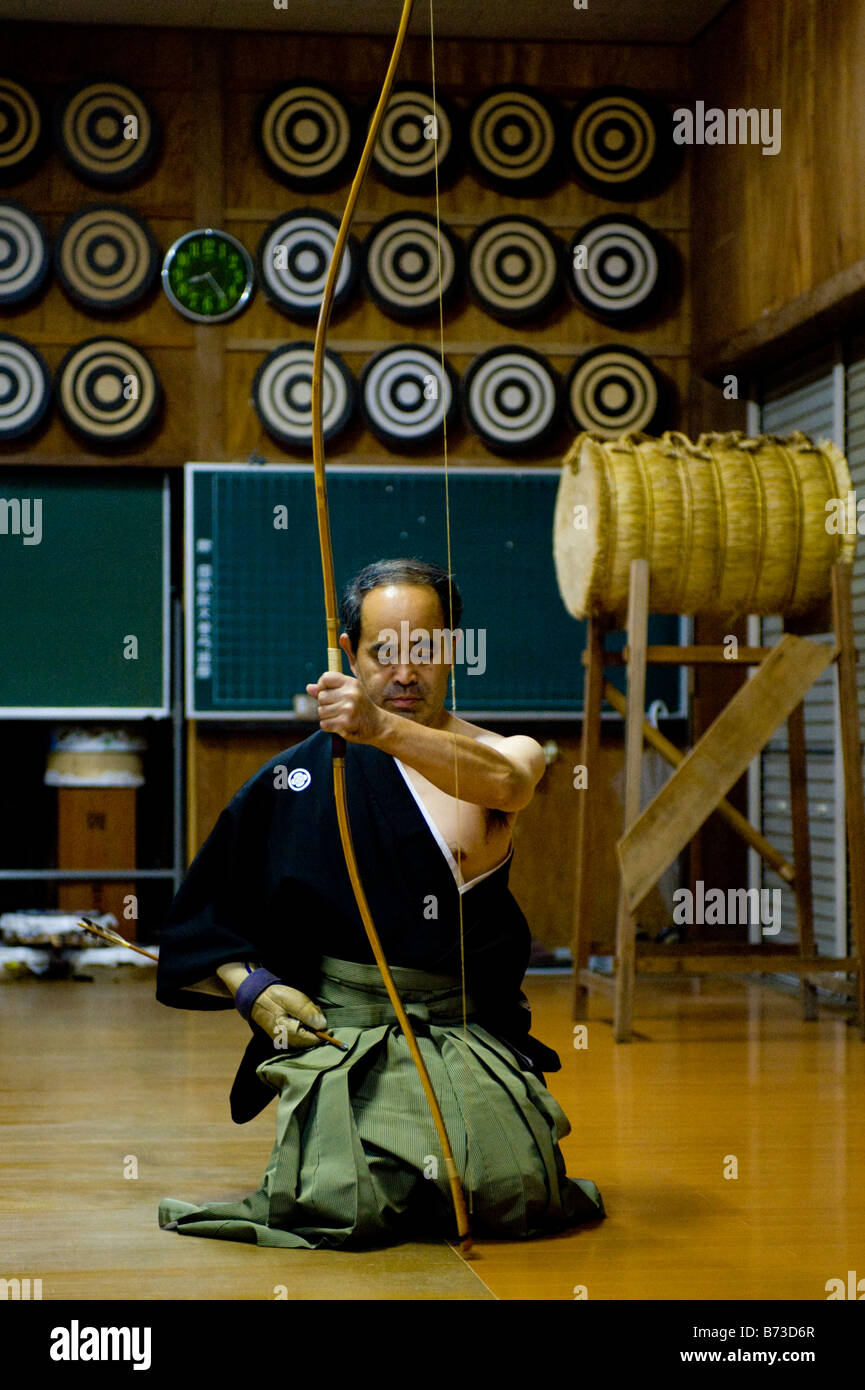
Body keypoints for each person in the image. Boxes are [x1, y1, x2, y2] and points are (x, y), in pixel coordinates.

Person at [156, 558, 605, 1248]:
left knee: (512, 1195)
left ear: (451, 650)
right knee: (345, 1206)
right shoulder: (298, 776)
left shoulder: (501, 752)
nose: (405, 673)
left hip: (459, 1032)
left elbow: (508, 786)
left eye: (424, 651)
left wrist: (378, 730)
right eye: (383, 653)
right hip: (345, 1041)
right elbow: (205, 917)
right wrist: (252, 990)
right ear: (348, 654)